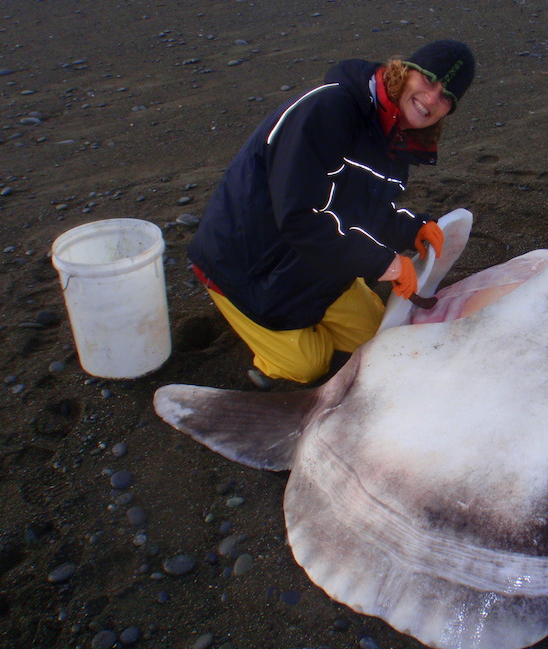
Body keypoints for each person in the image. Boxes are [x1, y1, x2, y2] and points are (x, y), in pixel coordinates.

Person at [188, 40, 476, 388]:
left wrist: (409, 229)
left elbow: (363, 207)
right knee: (309, 364)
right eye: (429, 81)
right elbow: (299, 218)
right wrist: (385, 264)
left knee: (378, 337)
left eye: (446, 97)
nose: (431, 99)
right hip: (248, 266)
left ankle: (302, 322)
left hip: (313, 263)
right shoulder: (329, 109)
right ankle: (266, 345)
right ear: (406, 71)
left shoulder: (399, 137)